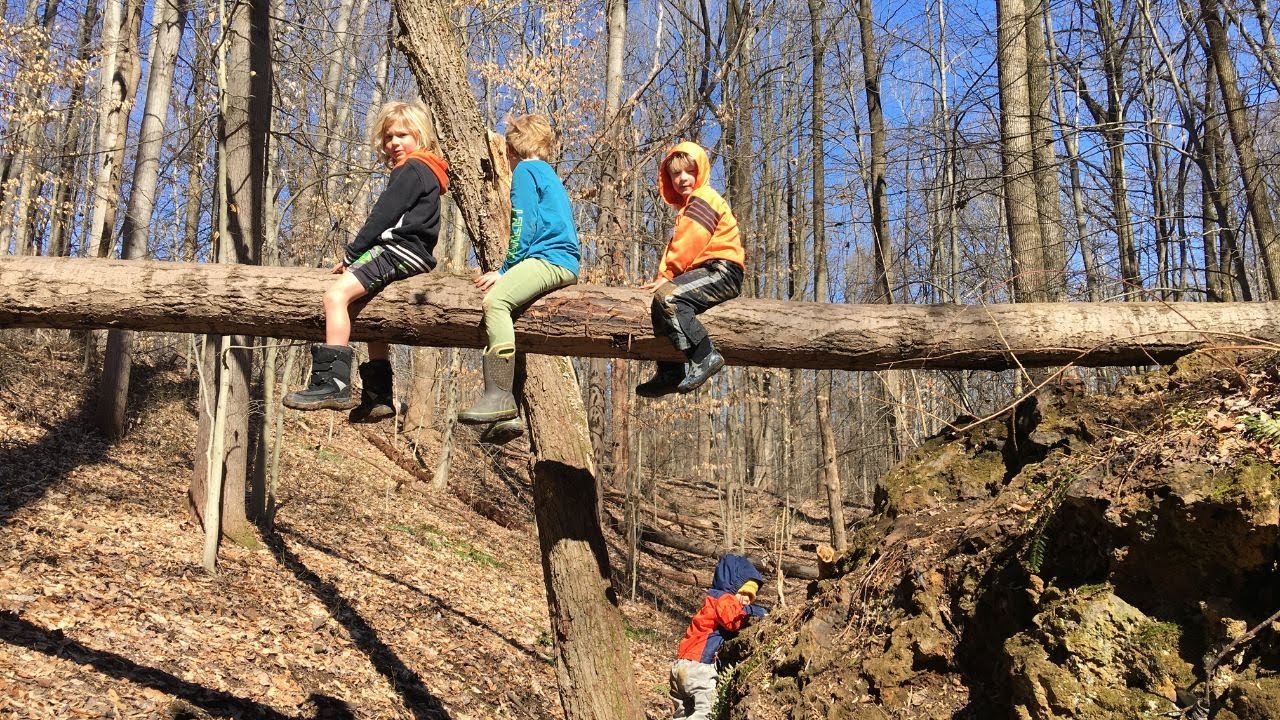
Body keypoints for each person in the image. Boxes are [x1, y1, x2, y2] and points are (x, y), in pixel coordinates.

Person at [283, 101, 449, 422]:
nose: (394, 143)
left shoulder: (412, 168)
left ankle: (331, 384)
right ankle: (379, 397)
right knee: (367, 313)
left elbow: (382, 217)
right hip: (413, 254)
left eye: (403, 135)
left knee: (335, 296)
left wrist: (351, 255)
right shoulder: (428, 170)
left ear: (421, 136)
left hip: (400, 251)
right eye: (389, 137)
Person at [456, 114, 579, 444]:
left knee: (495, 303)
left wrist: (505, 269)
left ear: (511, 148)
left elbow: (523, 225)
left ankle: (498, 396)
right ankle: (506, 416)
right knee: (504, 318)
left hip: (550, 260)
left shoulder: (525, 171)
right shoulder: (547, 172)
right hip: (560, 259)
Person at [636, 141, 745, 398]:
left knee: (669, 297)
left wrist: (667, 274)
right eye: (676, 174)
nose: (683, 178)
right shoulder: (688, 206)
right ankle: (670, 371)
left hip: (723, 271)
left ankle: (704, 355)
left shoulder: (703, 198)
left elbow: (690, 241)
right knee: (659, 305)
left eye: (689, 171)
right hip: (707, 269)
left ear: (702, 172)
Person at [670, 554, 767, 720]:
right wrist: (758, 612)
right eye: (743, 593)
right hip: (699, 668)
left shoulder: (712, 599)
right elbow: (732, 621)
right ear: (731, 585)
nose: (745, 600)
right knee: (707, 712)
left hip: (681, 666)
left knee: (682, 714)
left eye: (750, 597)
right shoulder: (724, 599)